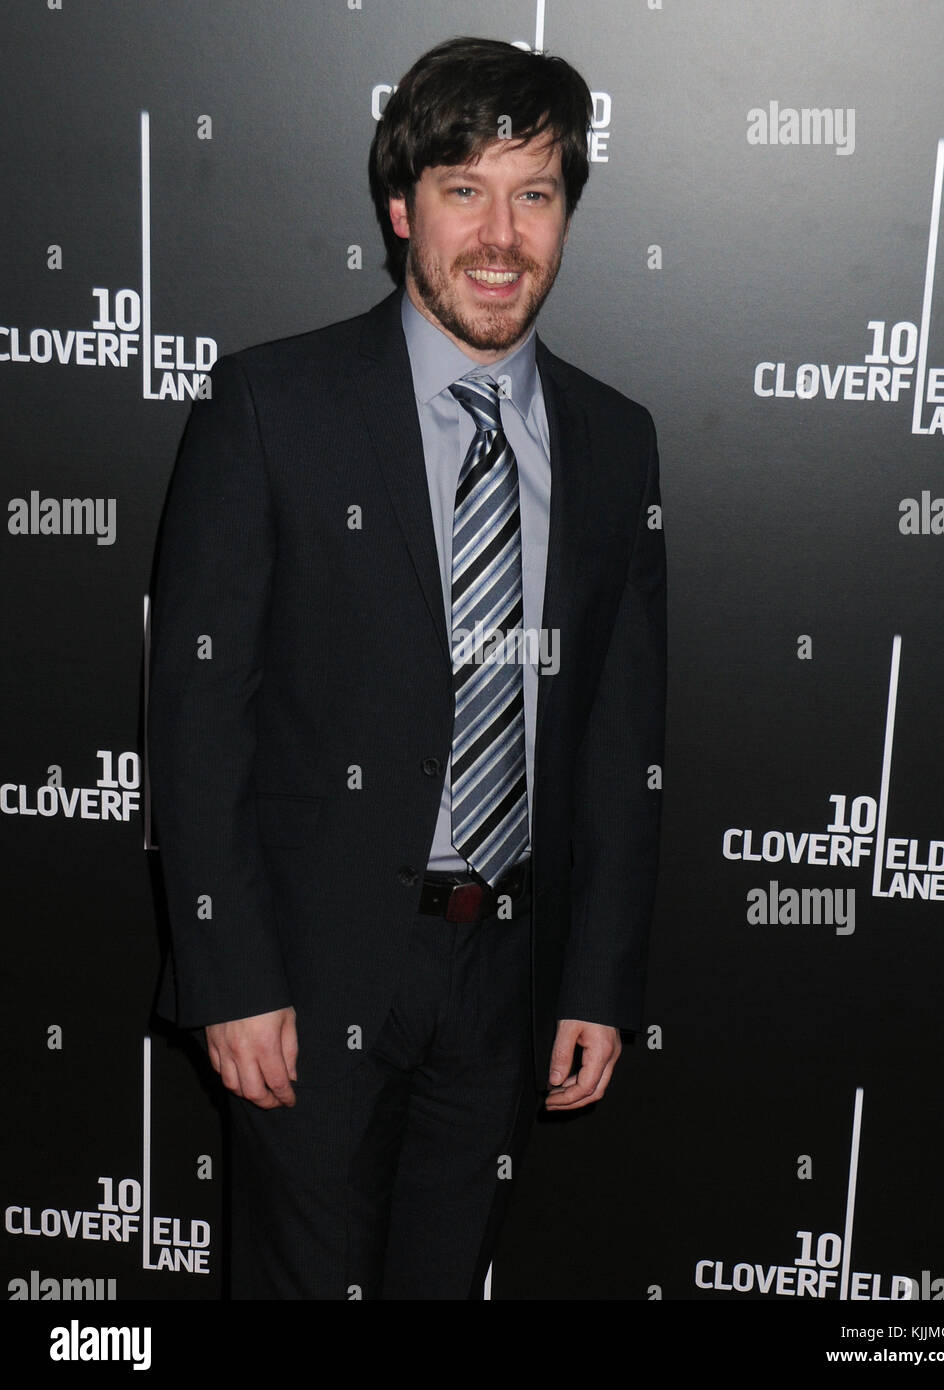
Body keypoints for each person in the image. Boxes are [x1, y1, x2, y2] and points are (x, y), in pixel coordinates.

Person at [149, 35, 666, 1300]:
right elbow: (198, 709)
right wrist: (232, 973)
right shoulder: (273, 404)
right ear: (400, 207)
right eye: (463, 189)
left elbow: (618, 736)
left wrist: (596, 980)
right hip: (311, 977)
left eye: (534, 193)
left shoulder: (615, 441)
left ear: (565, 215)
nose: (501, 235)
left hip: (507, 982)